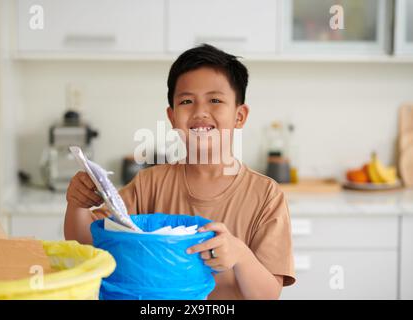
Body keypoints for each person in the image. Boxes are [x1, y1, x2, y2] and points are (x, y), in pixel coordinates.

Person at [64, 44, 295, 299]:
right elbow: (87, 243)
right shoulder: (148, 184)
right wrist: (77, 205)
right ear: (173, 117)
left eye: (215, 100)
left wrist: (240, 255)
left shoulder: (266, 196)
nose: (199, 112)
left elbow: (267, 295)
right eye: (187, 101)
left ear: (239, 116)